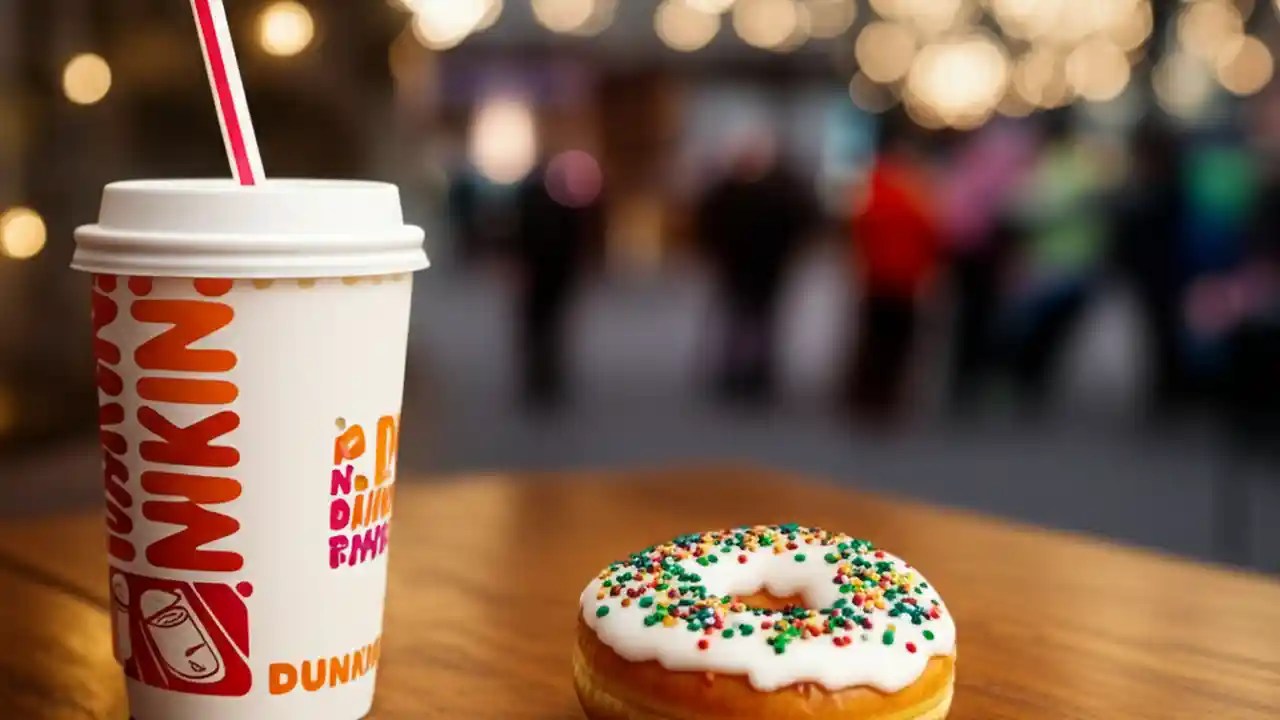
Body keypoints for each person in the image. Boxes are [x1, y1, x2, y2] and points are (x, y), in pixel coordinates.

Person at [696, 133, 811, 403]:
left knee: (758, 321)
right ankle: (738, 371)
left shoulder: (770, 192)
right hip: (742, 266)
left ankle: (755, 372)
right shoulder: (735, 191)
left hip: (763, 267)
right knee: (742, 320)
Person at [846, 114, 941, 421]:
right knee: (888, 340)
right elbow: (928, 230)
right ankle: (879, 395)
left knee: (878, 339)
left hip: (888, 275)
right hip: (895, 276)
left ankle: (872, 393)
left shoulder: (880, 189)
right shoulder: (905, 191)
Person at [511, 158, 602, 410]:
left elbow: (521, 238)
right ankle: (545, 374)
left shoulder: (533, 205)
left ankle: (540, 374)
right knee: (548, 326)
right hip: (554, 275)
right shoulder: (563, 206)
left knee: (538, 326)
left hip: (543, 274)